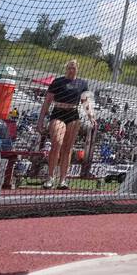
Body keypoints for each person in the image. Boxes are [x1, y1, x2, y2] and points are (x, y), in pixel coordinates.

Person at [36, 59, 93, 190]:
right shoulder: (58, 81)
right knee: (57, 143)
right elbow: (47, 101)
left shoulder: (82, 83)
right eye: (69, 67)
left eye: (74, 67)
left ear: (77, 69)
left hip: (73, 115)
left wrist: (91, 117)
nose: (72, 70)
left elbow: (86, 102)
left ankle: (63, 180)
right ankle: (50, 178)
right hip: (58, 113)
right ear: (66, 69)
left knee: (68, 148)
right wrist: (40, 121)